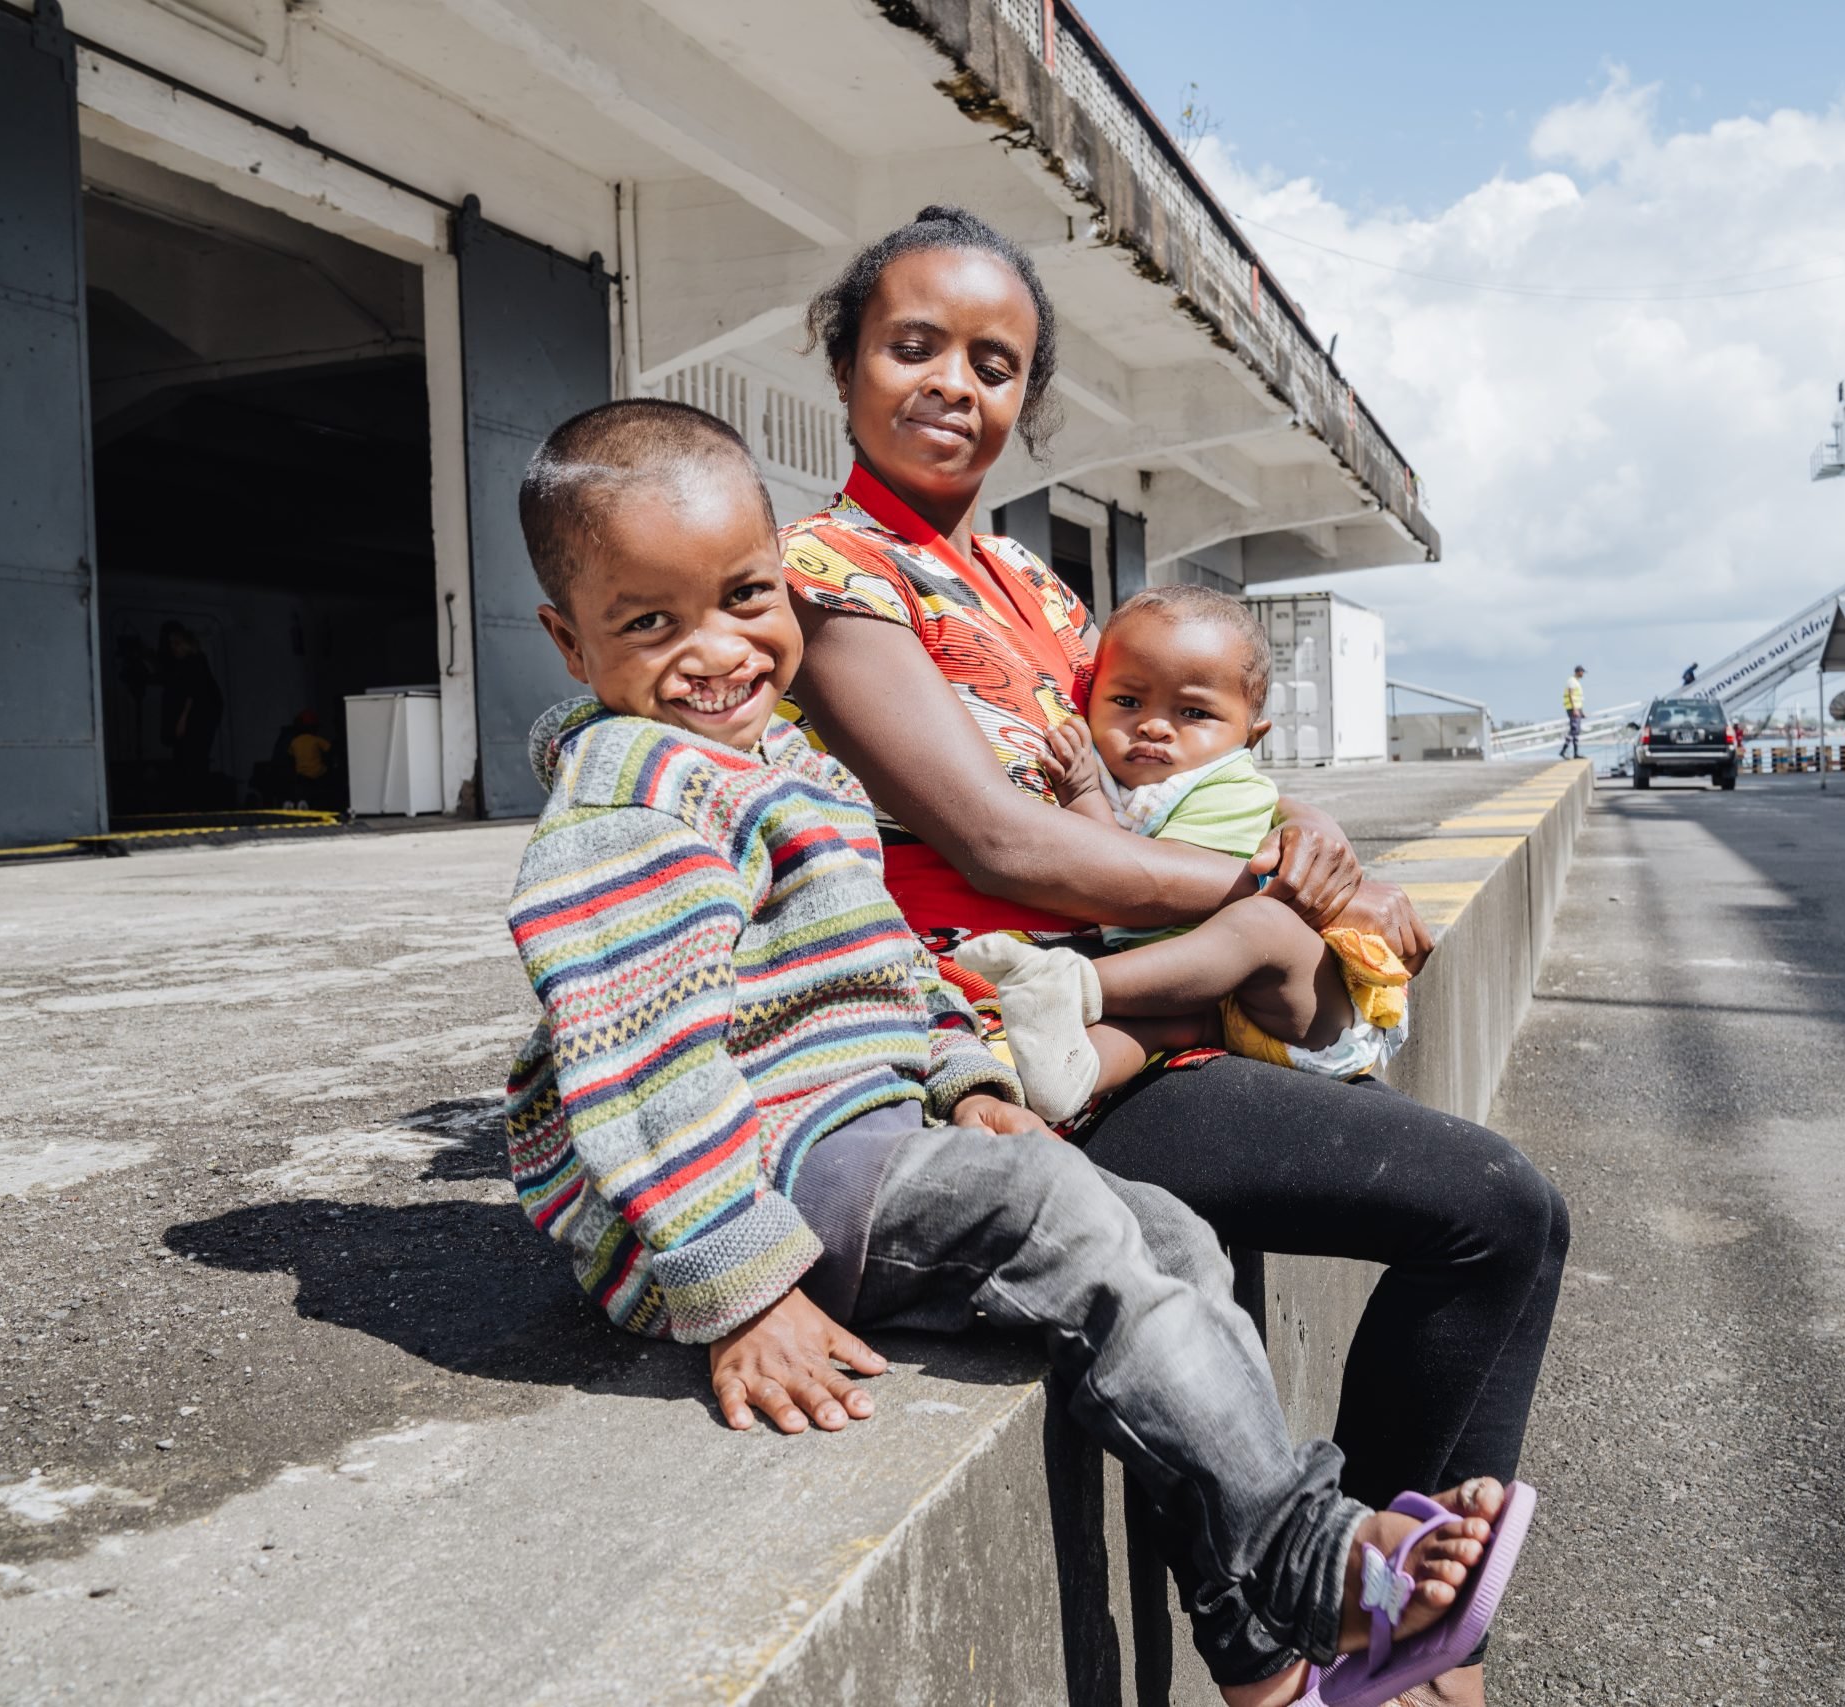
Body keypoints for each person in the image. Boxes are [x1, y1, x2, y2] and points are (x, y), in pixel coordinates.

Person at [499, 398, 1526, 1707]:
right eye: (652, 622)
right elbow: (638, 1064)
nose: (717, 649)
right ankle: (1312, 1555)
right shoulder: (632, 796)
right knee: (1057, 1204)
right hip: (752, 1174)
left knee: (1169, 1232)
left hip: (858, 1128)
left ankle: (1265, 1636)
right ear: (569, 640)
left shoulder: (786, 771)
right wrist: (739, 1290)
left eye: (745, 595)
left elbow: (887, 972)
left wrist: (973, 1086)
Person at [779, 207, 1568, 1707]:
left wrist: (1298, 829)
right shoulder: (827, 576)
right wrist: (1280, 879)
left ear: (1025, 397)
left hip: (1133, 1005)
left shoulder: (1038, 589)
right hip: (991, 1043)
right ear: (844, 361)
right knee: (1495, 1209)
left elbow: (1135, 787)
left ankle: (1344, 1623)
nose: (955, 383)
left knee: (1430, 1217)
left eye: (995, 362)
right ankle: (1384, 1632)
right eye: (915, 345)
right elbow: (1005, 845)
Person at [956, 584, 1409, 1120]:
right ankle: (1067, 1076)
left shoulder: (1229, 786)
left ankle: (1072, 984)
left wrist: (1080, 796)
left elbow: (1141, 881)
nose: (1153, 725)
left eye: (1193, 712)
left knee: (1262, 924)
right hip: (1200, 1009)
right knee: (1150, 1028)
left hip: (1299, 1011)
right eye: (1127, 702)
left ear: (1250, 737)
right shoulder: (1125, 778)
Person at [159, 622, 223, 796]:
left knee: (194, 758)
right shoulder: (185, 664)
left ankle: (196, 799)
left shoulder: (194, 662)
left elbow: (193, 693)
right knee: (190, 758)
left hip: (200, 717)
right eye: (171, 644)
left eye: (177, 643)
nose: (173, 648)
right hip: (200, 717)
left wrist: (182, 720)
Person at [1558, 665, 1586, 760]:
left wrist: (1581, 711)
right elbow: (1571, 695)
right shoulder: (1572, 681)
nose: (1583, 674)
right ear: (1578, 671)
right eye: (1582, 672)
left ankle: (1575, 753)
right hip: (1572, 709)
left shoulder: (1576, 682)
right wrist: (1574, 709)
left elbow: (1578, 698)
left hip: (1577, 709)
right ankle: (1564, 751)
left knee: (1576, 731)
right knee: (1574, 730)